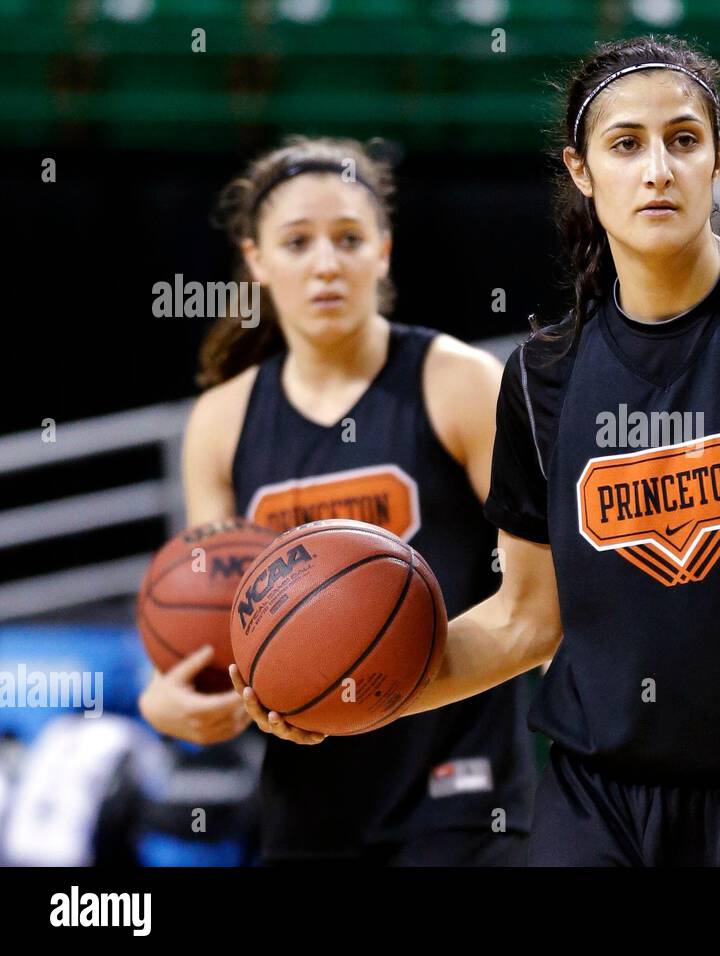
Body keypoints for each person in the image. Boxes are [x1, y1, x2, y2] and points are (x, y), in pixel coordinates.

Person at [241, 38, 720, 866]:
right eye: (626, 145)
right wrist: (349, 691)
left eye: (684, 140)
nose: (657, 169)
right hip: (596, 806)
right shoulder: (541, 377)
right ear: (582, 170)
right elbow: (526, 620)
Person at [140, 136, 536, 865]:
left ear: (382, 251)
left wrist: (385, 677)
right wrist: (173, 702)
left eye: (349, 238)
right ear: (256, 261)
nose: (327, 262)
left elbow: (537, 602)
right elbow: (221, 633)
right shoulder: (221, 420)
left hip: (463, 796)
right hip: (307, 806)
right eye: (297, 242)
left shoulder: (459, 382)